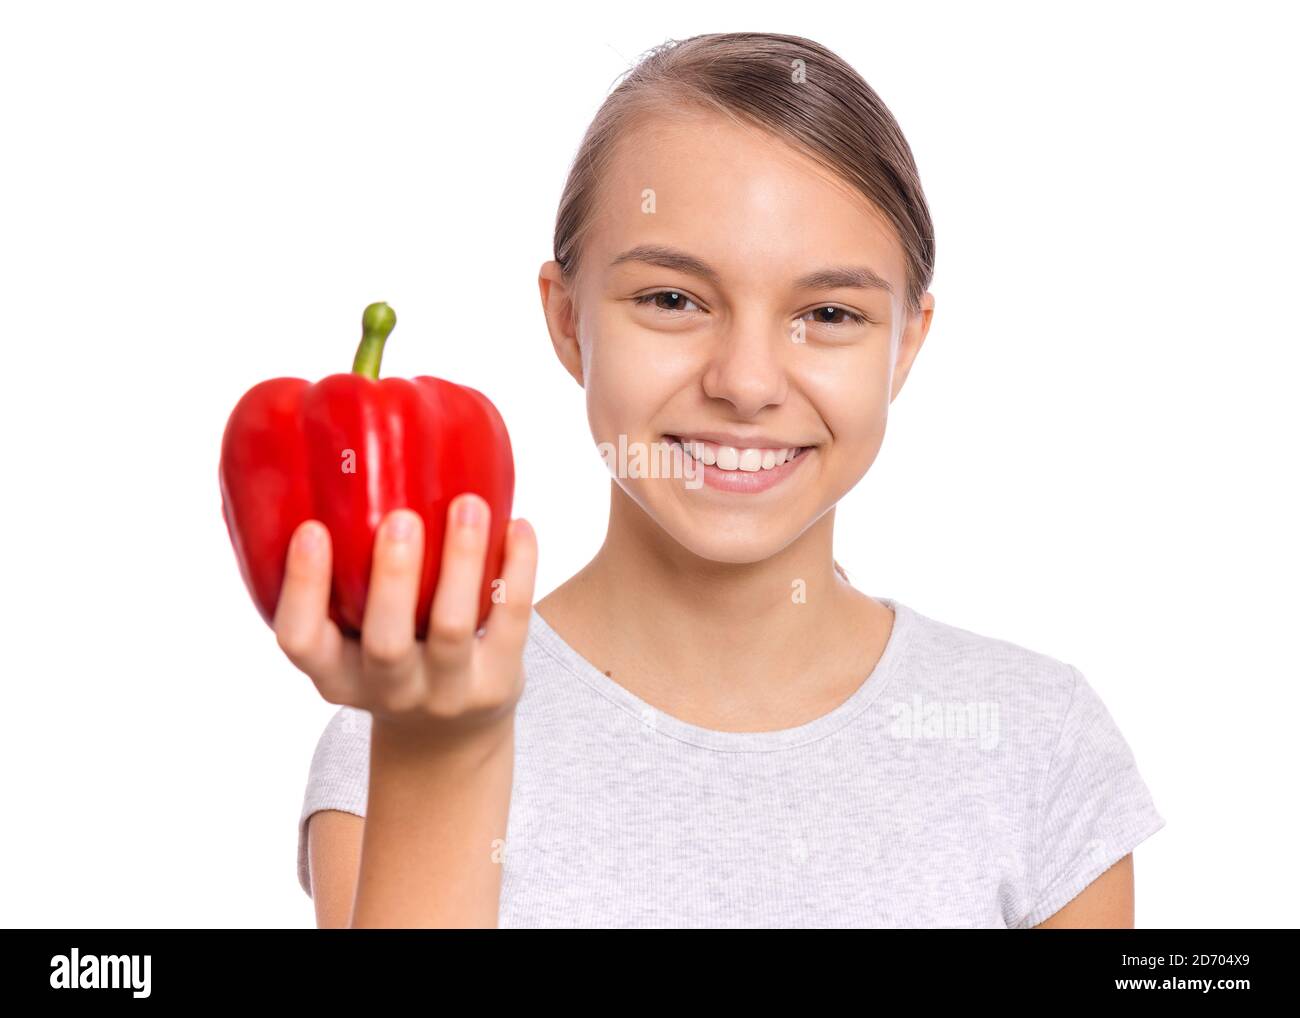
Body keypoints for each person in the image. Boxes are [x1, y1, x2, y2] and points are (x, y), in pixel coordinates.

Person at [279, 31, 1165, 928]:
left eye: (828, 314)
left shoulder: (1037, 744)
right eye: (672, 300)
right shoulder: (403, 729)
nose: (745, 382)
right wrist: (443, 757)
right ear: (566, 320)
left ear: (907, 345)